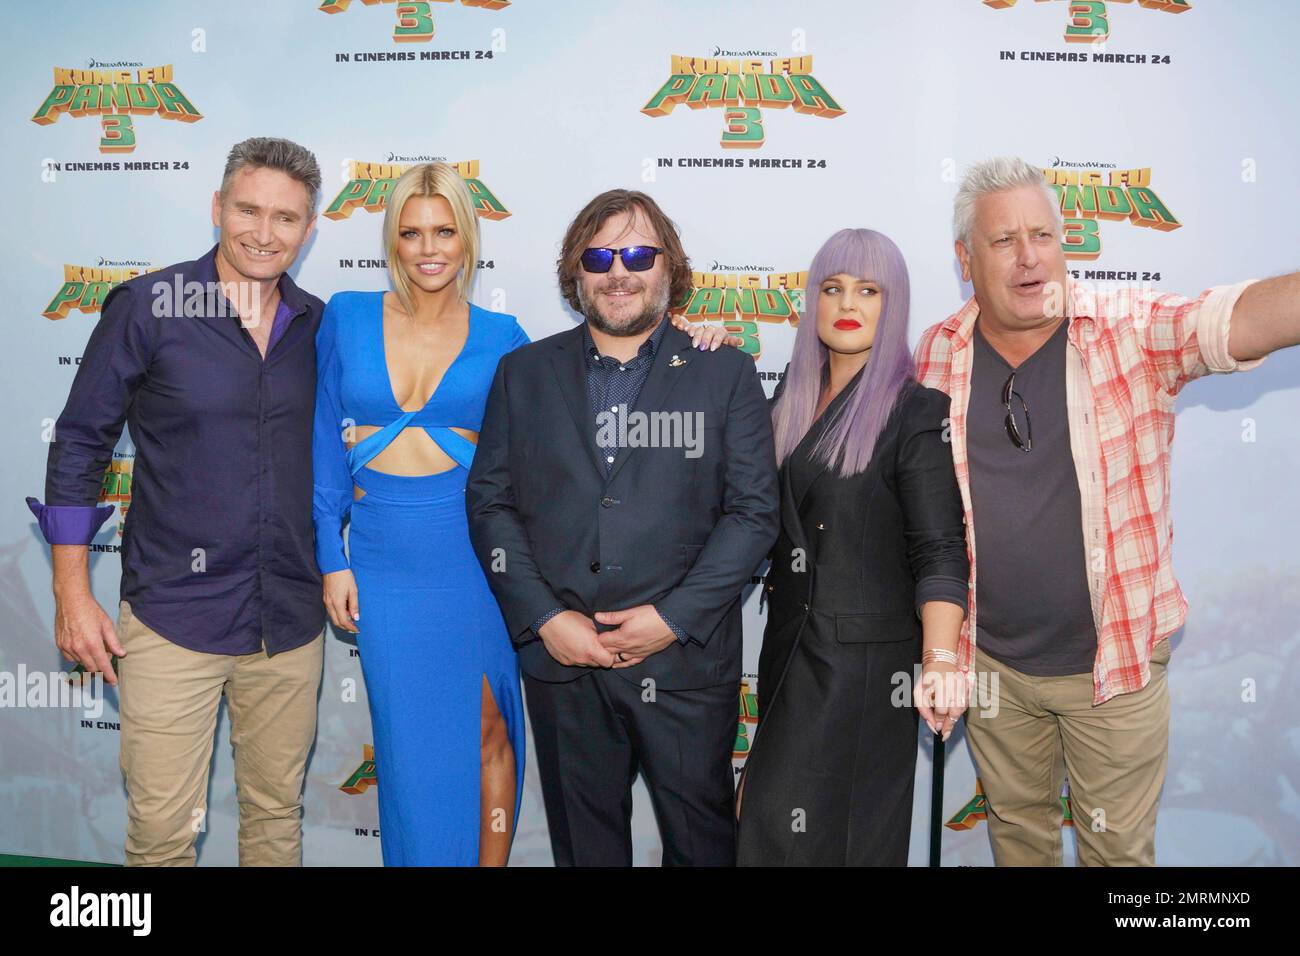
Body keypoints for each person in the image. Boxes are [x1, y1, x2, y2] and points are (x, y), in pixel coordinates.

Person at [915, 156, 1300, 866]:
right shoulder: (939, 351)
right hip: (994, 665)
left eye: (1044, 235)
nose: (1030, 258)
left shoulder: (1126, 329)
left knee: (1118, 857)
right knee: (1018, 839)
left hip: (1114, 667)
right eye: (1004, 241)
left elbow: (1234, 319)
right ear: (965, 258)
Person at [26, 137, 326, 866]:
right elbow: (78, 446)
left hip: (289, 621)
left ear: (309, 229)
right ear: (217, 207)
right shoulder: (148, 305)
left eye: (286, 218)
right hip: (170, 620)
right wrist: (73, 593)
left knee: (275, 821)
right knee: (162, 836)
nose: (264, 231)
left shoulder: (321, 324)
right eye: (248, 209)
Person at [466, 189, 780, 866]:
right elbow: (490, 503)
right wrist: (547, 619)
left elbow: (755, 514)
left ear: (668, 266)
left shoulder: (723, 369)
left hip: (685, 665)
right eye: (599, 254)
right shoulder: (523, 373)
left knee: (702, 849)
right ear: (576, 271)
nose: (618, 271)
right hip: (564, 664)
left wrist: (672, 617)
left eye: (637, 253)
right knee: (585, 852)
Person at [734, 228, 969, 866]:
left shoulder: (916, 412)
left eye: (870, 290)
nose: (849, 303)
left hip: (865, 674)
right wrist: (706, 353)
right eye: (832, 287)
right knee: (773, 837)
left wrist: (942, 659)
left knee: (836, 842)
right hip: (789, 654)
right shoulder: (789, 400)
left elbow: (941, 549)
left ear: (893, 305)